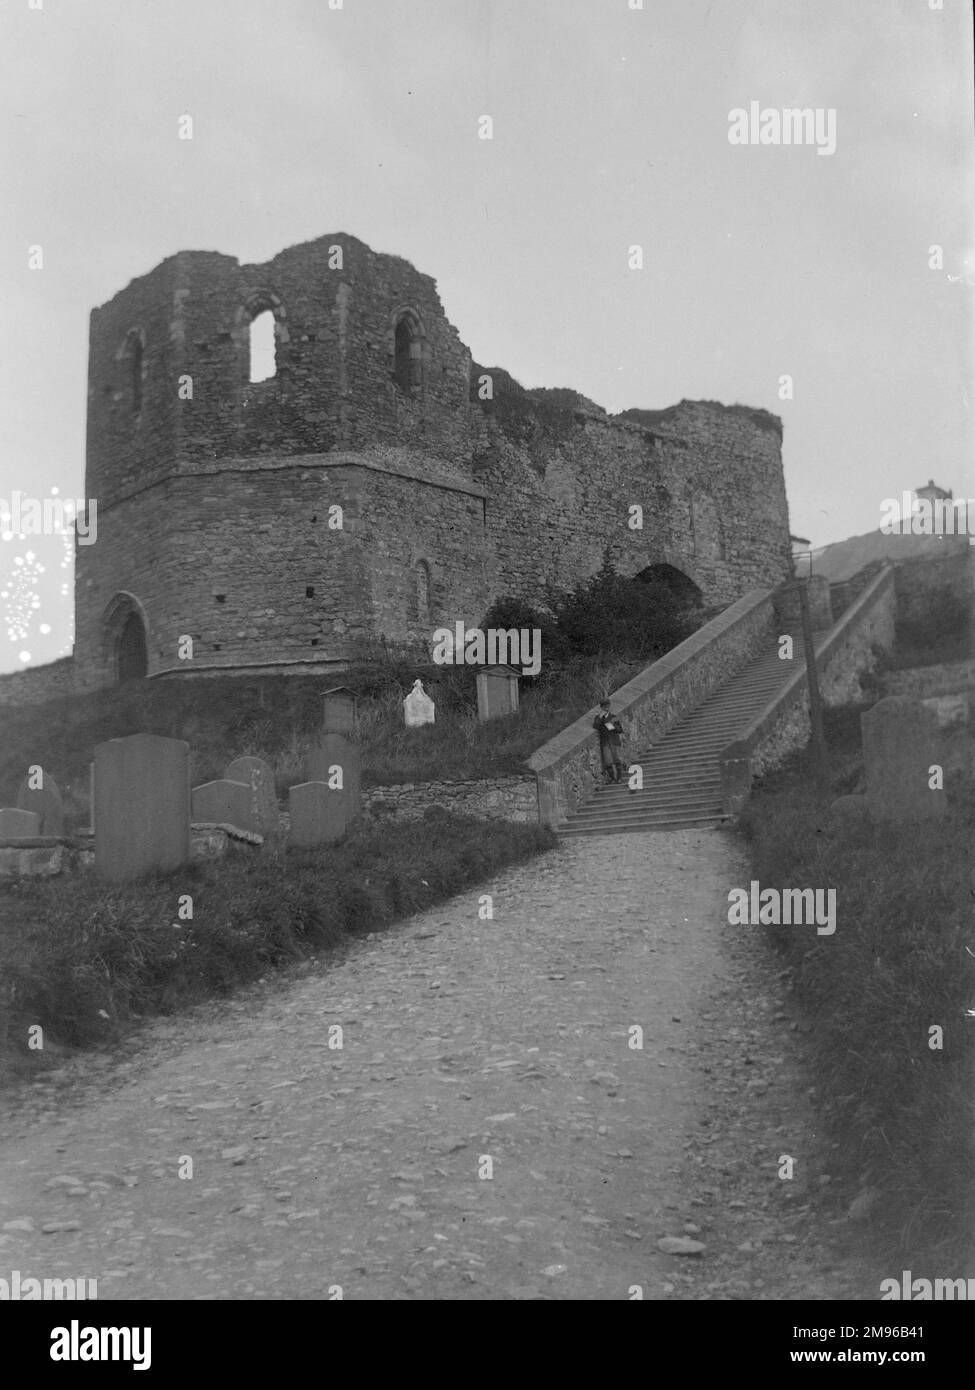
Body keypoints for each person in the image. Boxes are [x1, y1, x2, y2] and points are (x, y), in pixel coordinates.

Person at [593, 699, 625, 783]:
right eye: (604, 706)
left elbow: (620, 729)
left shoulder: (614, 717)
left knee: (617, 759)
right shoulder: (598, 717)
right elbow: (595, 725)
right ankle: (612, 778)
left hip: (614, 740)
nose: (606, 707)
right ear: (601, 707)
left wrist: (613, 727)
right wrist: (600, 717)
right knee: (608, 761)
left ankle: (619, 777)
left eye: (607, 705)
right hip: (605, 742)